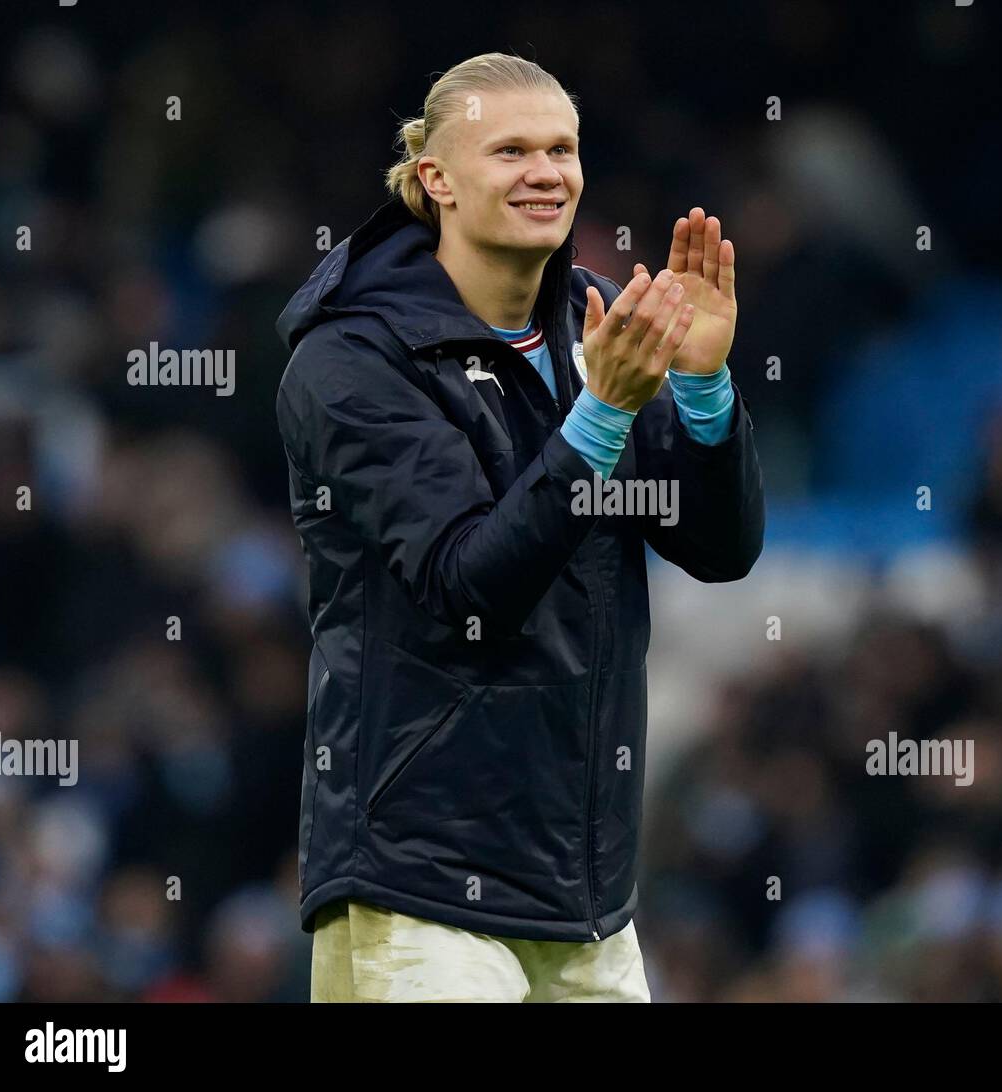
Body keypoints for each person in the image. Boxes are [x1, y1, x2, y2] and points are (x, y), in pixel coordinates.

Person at [274, 52, 765, 1002]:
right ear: (436, 180)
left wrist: (703, 388)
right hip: (415, 888)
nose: (547, 172)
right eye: (511, 150)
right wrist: (601, 418)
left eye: (563, 149)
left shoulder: (597, 335)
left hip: (585, 899)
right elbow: (469, 583)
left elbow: (720, 550)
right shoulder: (352, 361)